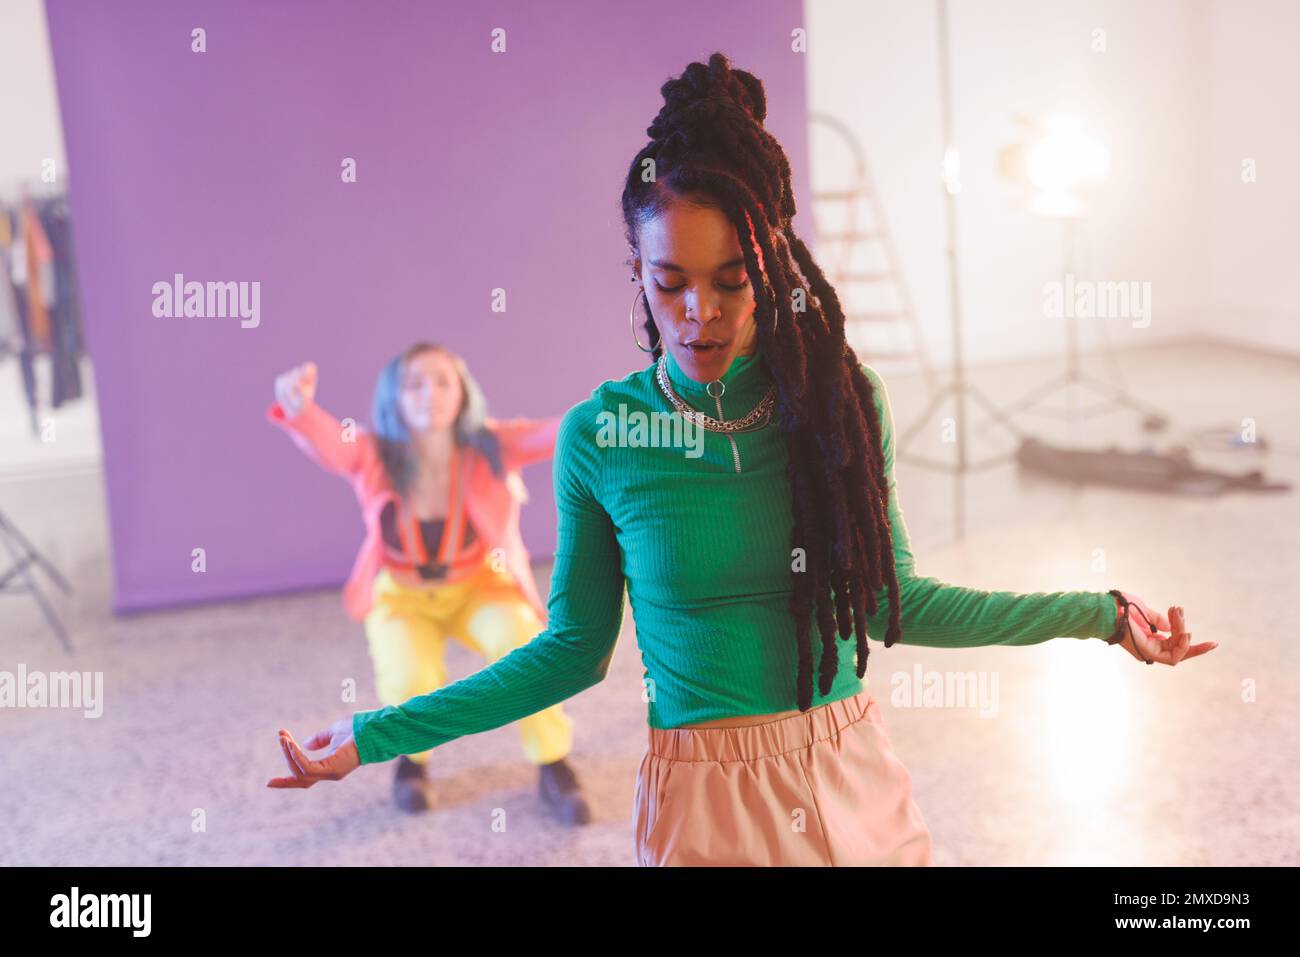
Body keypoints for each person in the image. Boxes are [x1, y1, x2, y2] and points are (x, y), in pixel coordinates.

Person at [266, 53, 1217, 864]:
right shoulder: (603, 435)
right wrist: (371, 735)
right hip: (707, 801)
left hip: (849, 773)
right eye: (670, 282)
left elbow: (895, 602)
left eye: (733, 280)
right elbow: (570, 652)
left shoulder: (839, 406)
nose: (700, 313)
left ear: (771, 260)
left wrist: (1097, 614)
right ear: (637, 272)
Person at [266, 342, 591, 825]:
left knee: (525, 646)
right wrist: (302, 409)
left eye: (443, 381)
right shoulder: (375, 452)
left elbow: (562, 431)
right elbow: (332, 444)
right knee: (407, 676)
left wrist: (619, 408)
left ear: (463, 392)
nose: (430, 393)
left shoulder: (493, 443)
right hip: (403, 598)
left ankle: (552, 759)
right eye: (414, 383)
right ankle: (411, 762)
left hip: (482, 586)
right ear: (393, 398)